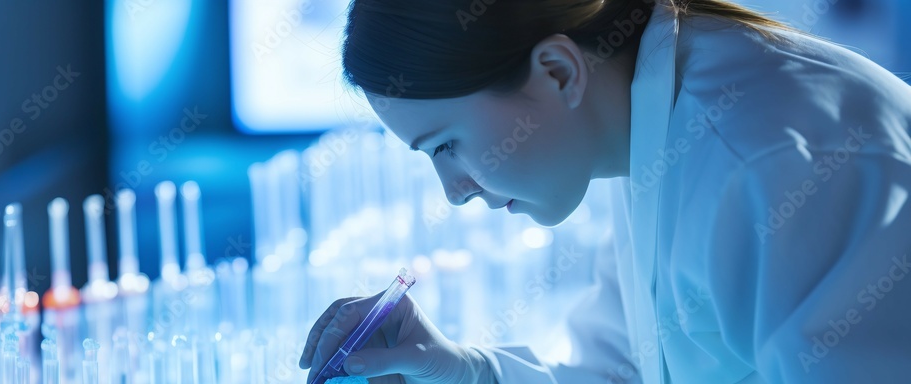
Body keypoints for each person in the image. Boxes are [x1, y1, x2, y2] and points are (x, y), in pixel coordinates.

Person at [300, 0, 911, 382]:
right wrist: (467, 374)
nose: (453, 192)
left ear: (559, 71)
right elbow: (626, 371)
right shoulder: (653, 130)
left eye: (444, 146)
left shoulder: (769, 161)